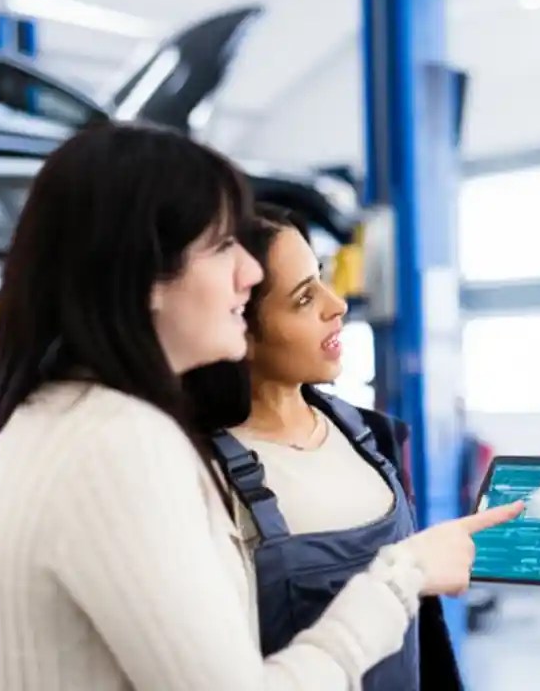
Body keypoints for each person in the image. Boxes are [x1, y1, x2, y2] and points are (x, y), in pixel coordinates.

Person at [0, 122, 522, 691]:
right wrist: (403, 576)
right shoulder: (119, 444)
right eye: (223, 246)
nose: (250, 274)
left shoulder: (49, 420)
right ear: (145, 273)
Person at [181, 204, 463, 690]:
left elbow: (424, 636)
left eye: (324, 280)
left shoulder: (373, 436)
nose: (337, 305)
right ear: (237, 326)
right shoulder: (199, 475)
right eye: (304, 298)